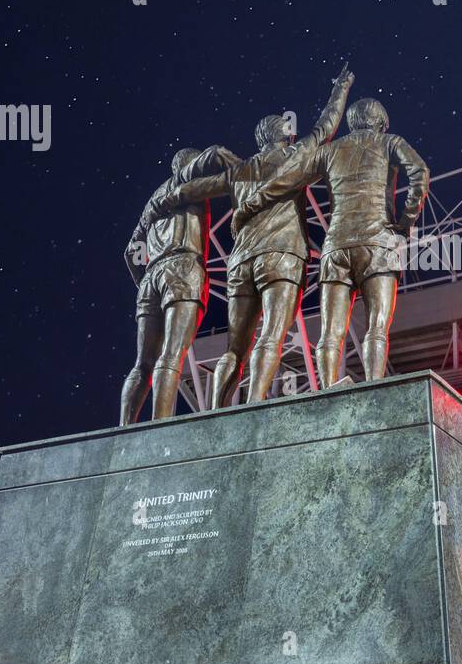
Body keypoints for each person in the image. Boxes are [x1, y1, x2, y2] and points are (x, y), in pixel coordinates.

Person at [146, 68, 353, 405]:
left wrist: (163, 201)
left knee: (235, 348)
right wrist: (341, 87)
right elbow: (327, 126)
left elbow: (193, 189)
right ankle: (255, 403)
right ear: (283, 135)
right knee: (271, 332)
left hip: (240, 263)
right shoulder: (294, 157)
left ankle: (214, 413)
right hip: (281, 256)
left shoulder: (238, 171)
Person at [232, 96, 428, 386]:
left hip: (335, 247)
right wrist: (404, 222)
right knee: (376, 327)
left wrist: (248, 206)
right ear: (381, 124)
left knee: (331, 332)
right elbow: (420, 173)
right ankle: (374, 386)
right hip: (378, 244)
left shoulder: (330, 150)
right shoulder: (390, 142)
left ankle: (328, 390)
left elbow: (287, 179)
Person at [120, 148, 210, 423]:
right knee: (172, 353)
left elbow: (130, 251)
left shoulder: (153, 200)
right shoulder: (191, 186)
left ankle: (124, 427)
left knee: (142, 363)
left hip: (151, 276)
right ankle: (160, 426)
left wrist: (143, 284)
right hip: (182, 268)